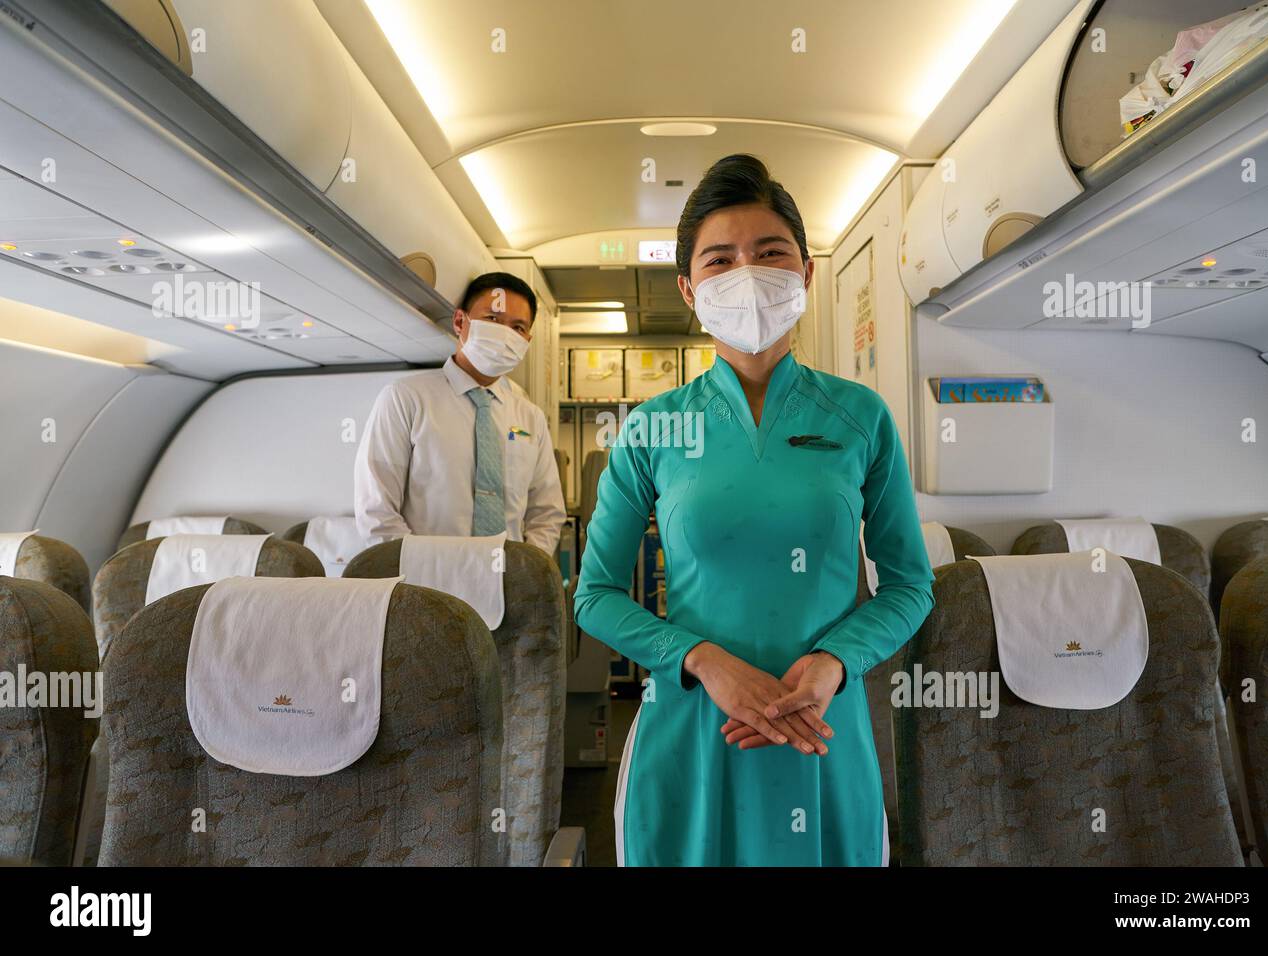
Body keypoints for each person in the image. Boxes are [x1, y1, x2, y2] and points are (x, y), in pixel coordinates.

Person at [573, 154, 935, 866]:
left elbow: (910, 585)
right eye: (719, 260)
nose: (746, 273)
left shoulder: (860, 415)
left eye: (770, 253)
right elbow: (594, 595)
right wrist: (703, 661)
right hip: (693, 720)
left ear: (804, 273)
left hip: (822, 722)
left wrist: (834, 662)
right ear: (688, 288)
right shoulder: (653, 427)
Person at [354, 271, 566, 555]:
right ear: (459, 322)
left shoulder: (531, 418)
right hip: (424, 585)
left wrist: (526, 573)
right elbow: (376, 511)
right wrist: (422, 576)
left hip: (506, 589)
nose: (505, 334)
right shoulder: (406, 398)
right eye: (492, 319)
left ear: (527, 339)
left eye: (517, 327)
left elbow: (546, 513)